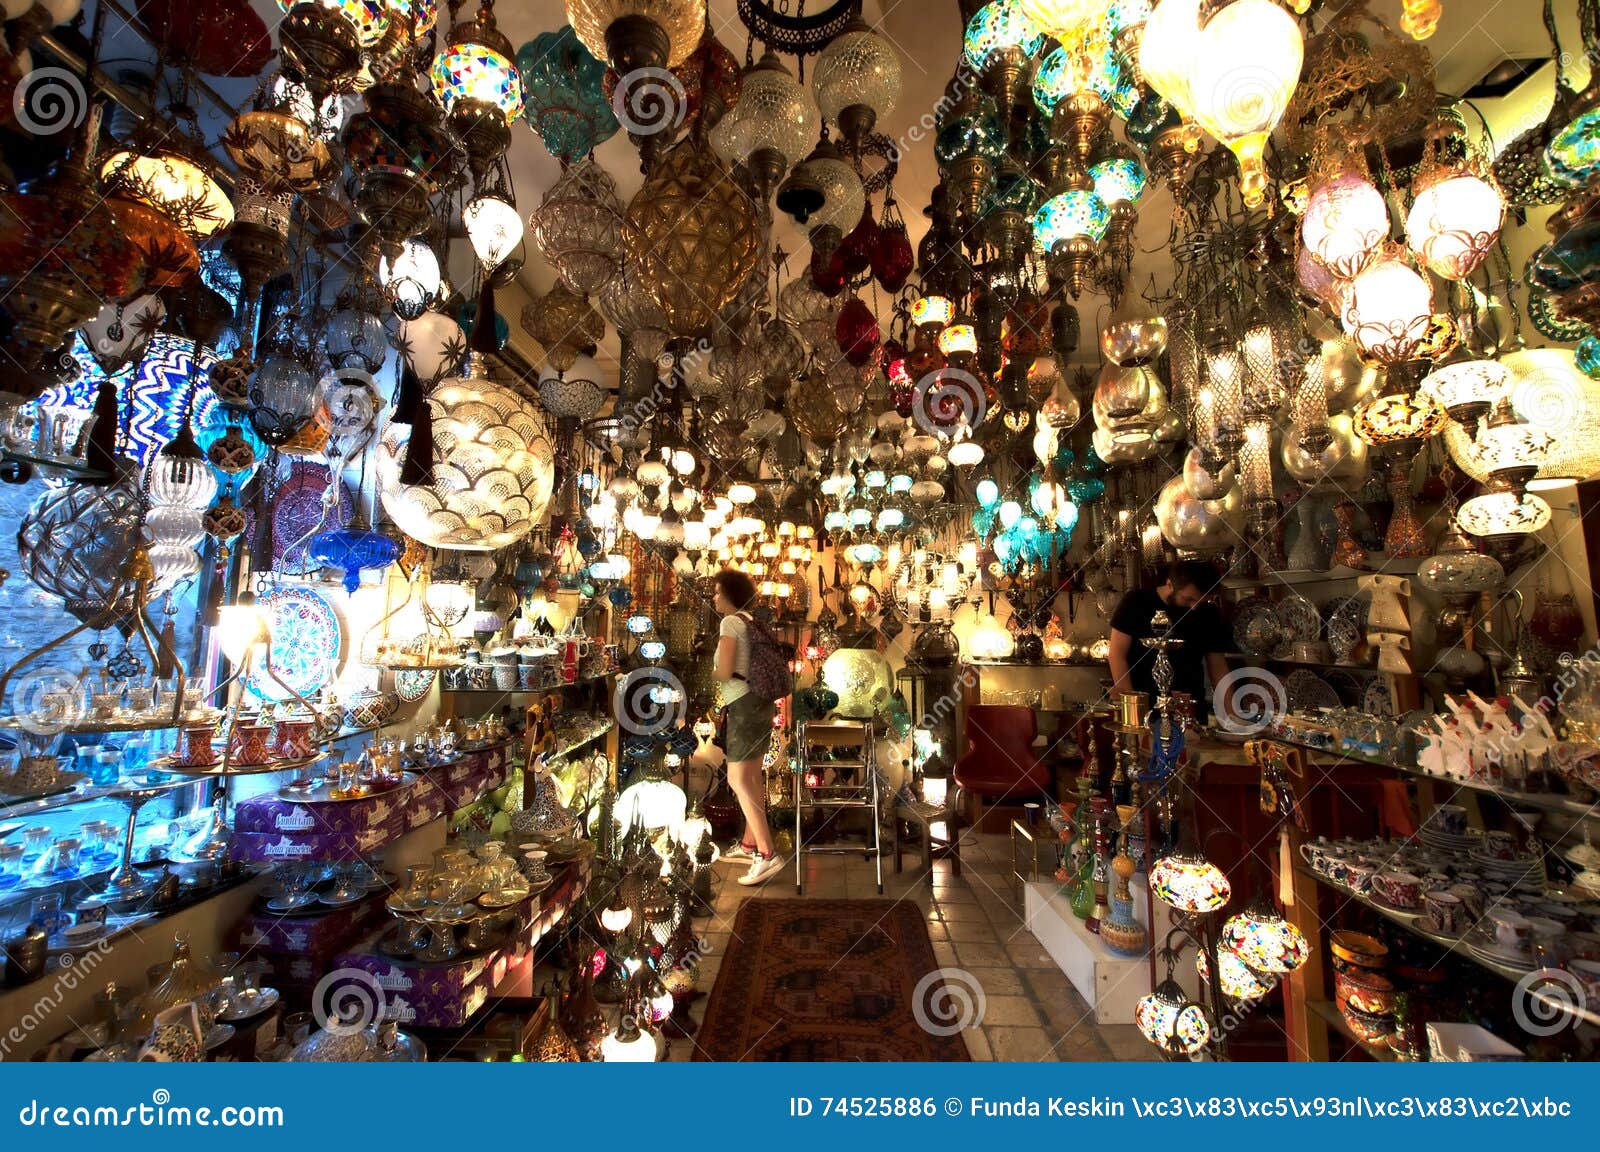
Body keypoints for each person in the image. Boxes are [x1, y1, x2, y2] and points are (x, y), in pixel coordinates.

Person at [711, 568, 786, 886]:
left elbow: (725, 671)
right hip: (761, 701)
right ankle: (748, 844)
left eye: (717, 592)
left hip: (742, 703)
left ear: (729, 594)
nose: (714, 597)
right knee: (752, 777)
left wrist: (707, 675)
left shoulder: (730, 622)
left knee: (738, 778)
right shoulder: (751, 621)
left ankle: (768, 855)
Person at [1106, 559, 1232, 720]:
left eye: (1201, 600)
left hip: (1189, 707)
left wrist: (1231, 717)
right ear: (1170, 584)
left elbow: (1218, 668)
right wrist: (1131, 710)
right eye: (1188, 599)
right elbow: (1117, 655)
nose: (1194, 607)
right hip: (1145, 703)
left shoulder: (1208, 613)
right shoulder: (1136, 602)